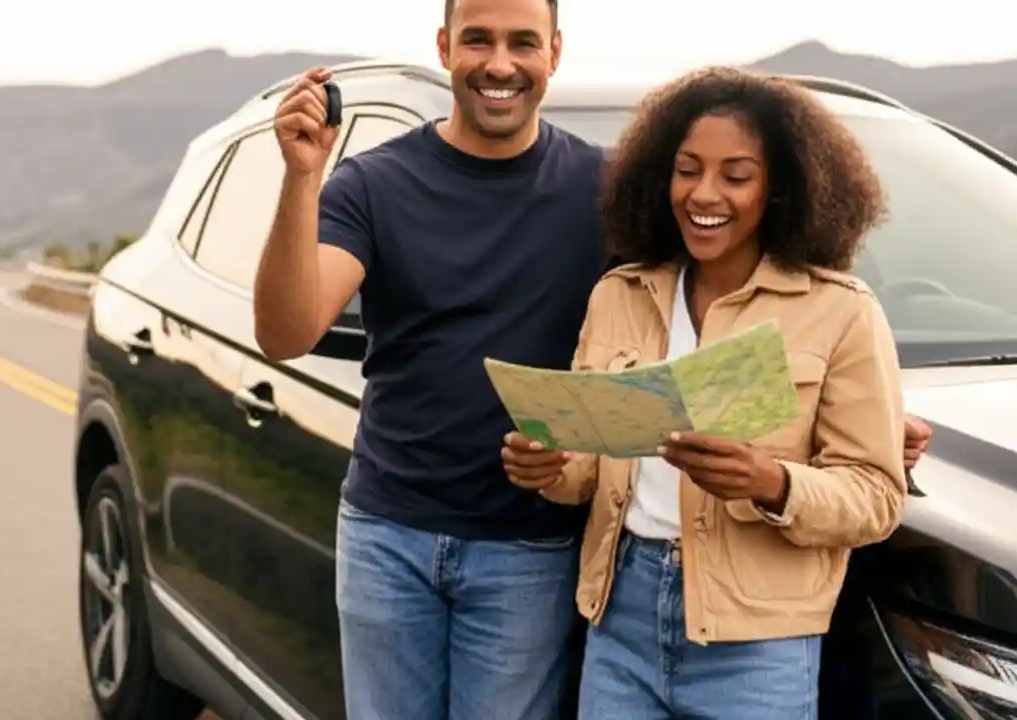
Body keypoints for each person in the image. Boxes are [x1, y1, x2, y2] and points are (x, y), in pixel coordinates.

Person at [254, 0, 933, 716]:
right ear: (444, 45)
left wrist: (869, 417)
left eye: (522, 41)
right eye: (478, 39)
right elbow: (288, 332)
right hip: (392, 532)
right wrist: (303, 176)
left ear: (554, 51)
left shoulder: (604, 195)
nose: (499, 63)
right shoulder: (373, 185)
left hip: (532, 550)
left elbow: (760, 312)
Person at [502, 65, 921, 719]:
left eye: (736, 174)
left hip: (756, 637)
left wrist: (772, 483)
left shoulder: (841, 312)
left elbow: (875, 495)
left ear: (779, 189)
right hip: (622, 615)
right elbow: (585, 472)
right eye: (687, 168)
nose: (704, 193)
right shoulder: (622, 293)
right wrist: (547, 466)